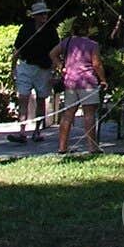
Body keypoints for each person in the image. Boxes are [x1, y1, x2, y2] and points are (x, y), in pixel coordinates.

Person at [51, 16, 108, 155]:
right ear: (87, 29)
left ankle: (62, 147)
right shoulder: (92, 45)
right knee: (89, 115)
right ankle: (92, 147)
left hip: (70, 82)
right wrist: (103, 79)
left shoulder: (67, 42)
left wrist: (61, 67)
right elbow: (96, 64)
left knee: (68, 115)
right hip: (87, 82)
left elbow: (52, 54)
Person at [9, 0, 60, 144]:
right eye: (41, 14)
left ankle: (37, 131)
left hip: (44, 69)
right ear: (35, 16)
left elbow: (56, 51)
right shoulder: (26, 29)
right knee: (23, 98)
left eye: (45, 14)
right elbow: (17, 49)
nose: (44, 16)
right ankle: (22, 131)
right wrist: (13, 68)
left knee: (41, 99)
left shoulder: (51, 30)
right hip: (26, 66)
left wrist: (56, 71)